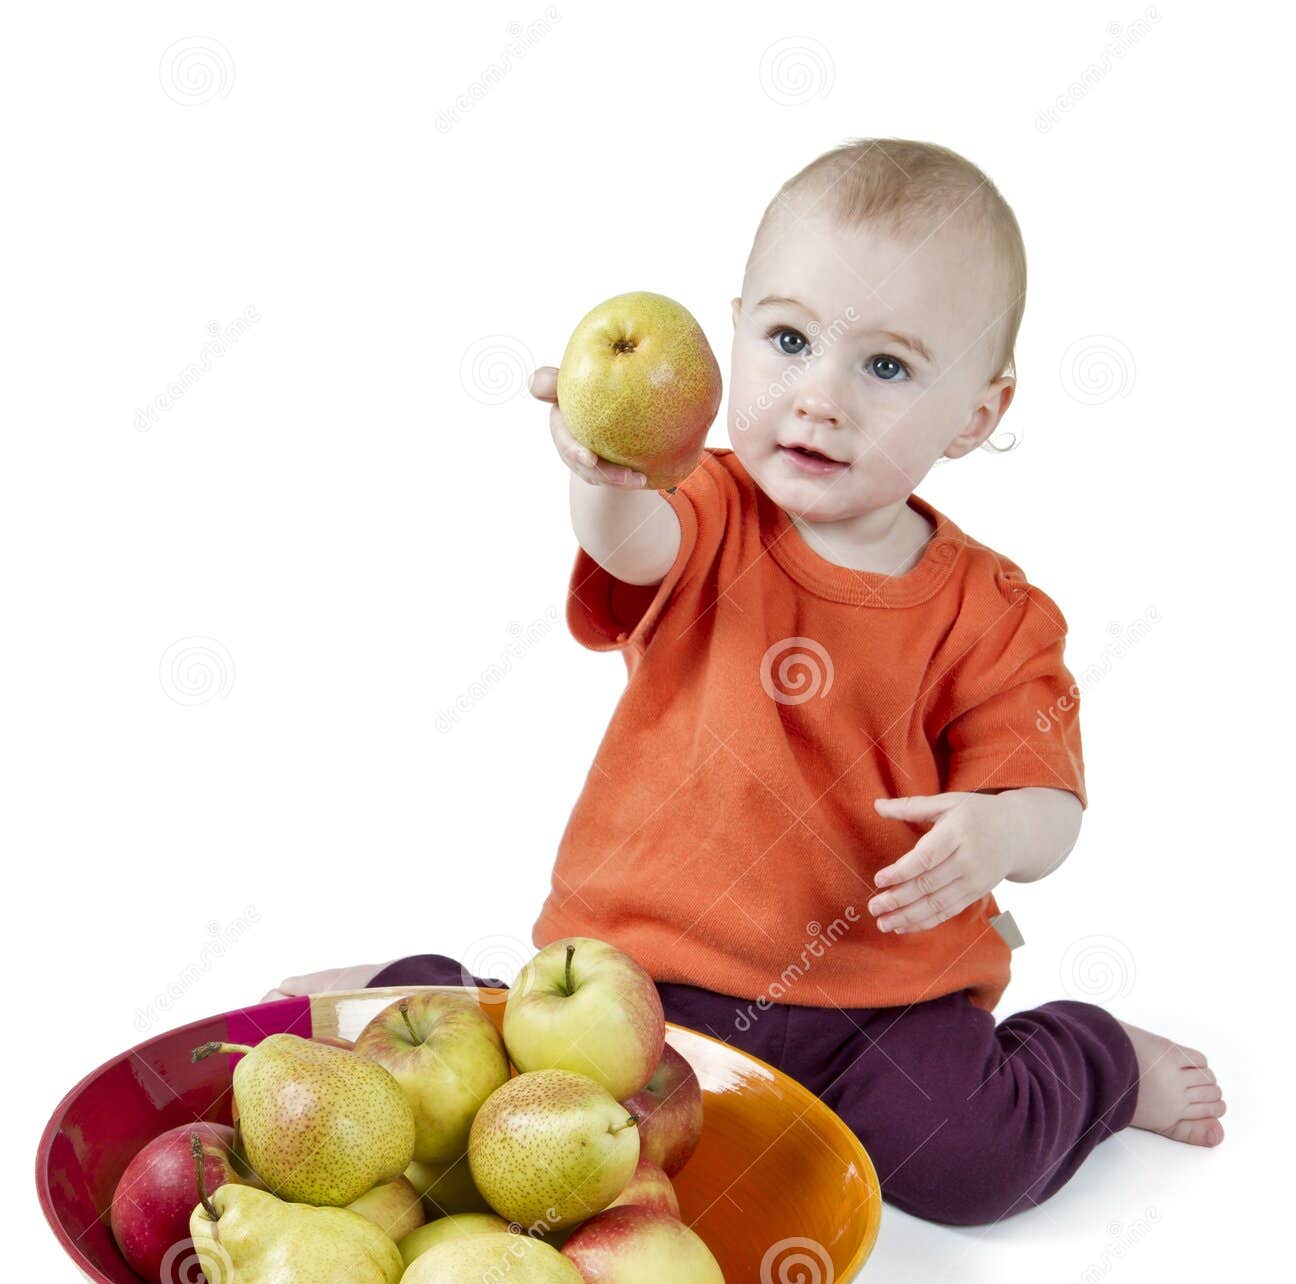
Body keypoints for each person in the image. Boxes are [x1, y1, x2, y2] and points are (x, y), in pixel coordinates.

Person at [266, 138, 1225, 1226]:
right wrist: (609, 471)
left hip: (883, 1004)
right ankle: (411, 993)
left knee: (971, 1165)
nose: (819, 398)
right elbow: (635, 546)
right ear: (730, 337)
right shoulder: (713, 515)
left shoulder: (994, 613)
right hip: (642, 980)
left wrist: (998, 837)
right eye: (788, 340)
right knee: (514, 1122)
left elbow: (1052, 808)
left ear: (977, 415)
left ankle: (1098, 1063)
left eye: (887, 367)